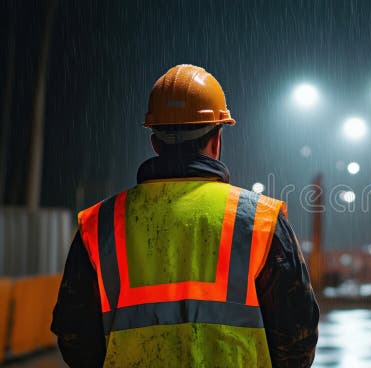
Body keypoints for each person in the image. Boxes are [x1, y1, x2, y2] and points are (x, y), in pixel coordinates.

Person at [51, 64, 319, 367]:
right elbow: (298, 335)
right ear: (216, 141)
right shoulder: (259, 219)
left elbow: (74, 335)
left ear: (155, 142)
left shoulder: (100, 223)